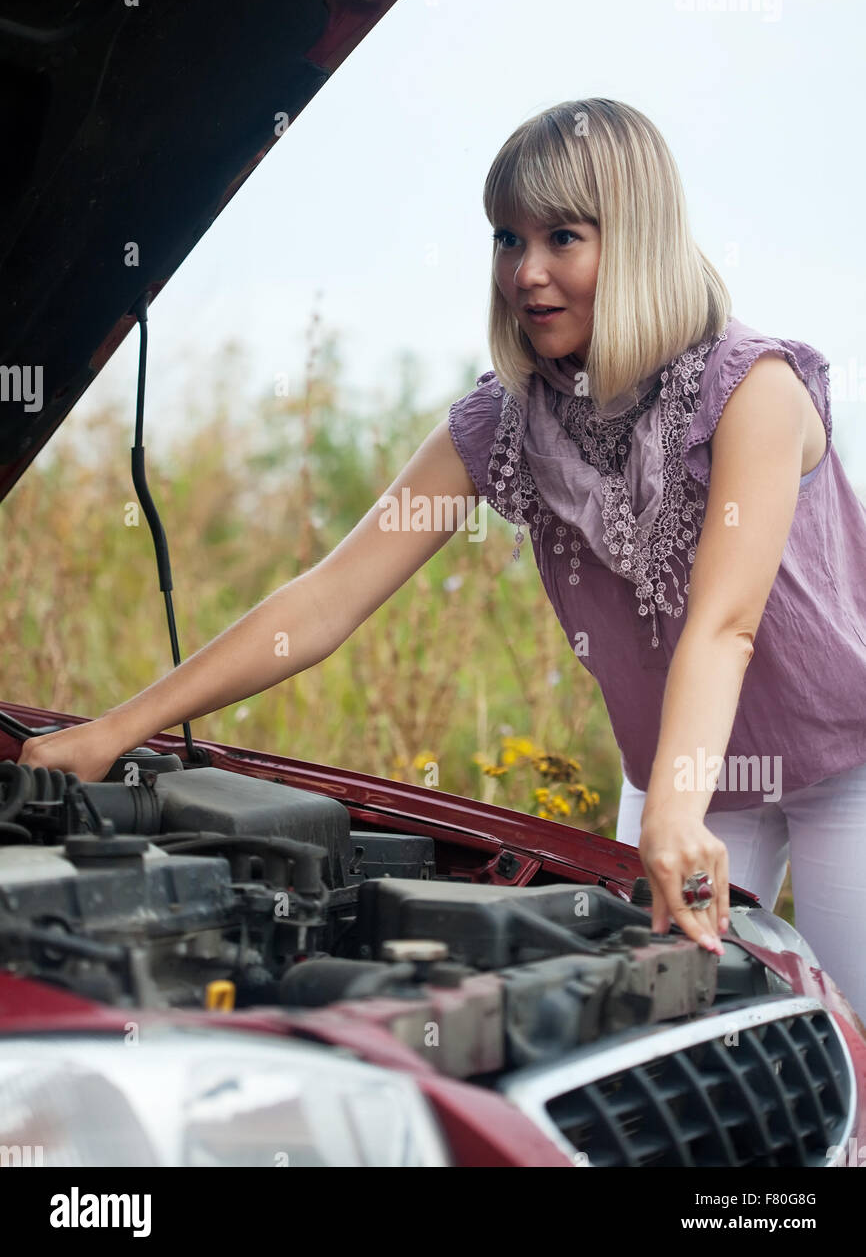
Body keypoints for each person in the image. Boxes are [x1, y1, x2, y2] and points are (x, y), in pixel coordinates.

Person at [18, 97, 866, 1019]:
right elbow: (325, 601)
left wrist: (672, 811)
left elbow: (726, 624)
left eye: (563, 238)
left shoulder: (755, 391)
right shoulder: (505, 420)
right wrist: (112, 732)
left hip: (842, 762)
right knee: (688, 1028)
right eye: (508, 239)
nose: (527, 273)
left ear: (639, 240)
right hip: (688, 776)